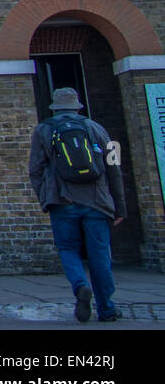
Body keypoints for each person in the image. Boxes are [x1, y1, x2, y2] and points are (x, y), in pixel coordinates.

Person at [28, 87, 127, 323]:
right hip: (97, 202)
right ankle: (107, 309)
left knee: (68, 249)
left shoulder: (43, 130)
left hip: (62, 201)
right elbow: (114, 168)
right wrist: (119, 206)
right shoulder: (95, 128)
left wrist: (45, 197)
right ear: (77, 107)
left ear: (55, 107)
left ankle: (81, 286)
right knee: (99, 255)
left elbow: (35, 170)